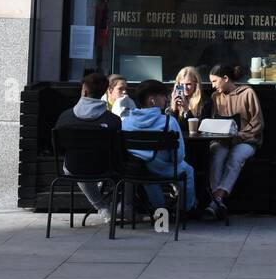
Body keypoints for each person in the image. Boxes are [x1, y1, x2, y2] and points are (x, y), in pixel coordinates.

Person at [52, 72, 124, 226]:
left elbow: (59, 148)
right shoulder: (113, 120)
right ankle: (109, 206)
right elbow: (117, 150)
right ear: (105, 92)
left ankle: (102, 208)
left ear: (84, 91)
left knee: (77, 164)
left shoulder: (65, 117)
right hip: (105, 168)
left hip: (74, 167)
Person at [122, 79, 197, 218]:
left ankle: (161, 212)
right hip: (165, 169)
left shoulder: (126, 122)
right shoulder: (169, 121)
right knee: (187, 170)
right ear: (152, 100)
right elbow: (178, 156)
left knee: (149, 175)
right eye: (163, 96)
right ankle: (185, 210)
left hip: (139, 170)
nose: (166, 99)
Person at [204, 63, 263, 221]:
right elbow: (214, 122)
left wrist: (240, 136)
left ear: (225, 78)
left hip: (247, 140)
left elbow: (257, 123)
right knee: (216, 154)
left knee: (236, 157)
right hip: (223, 140)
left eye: (215, 81)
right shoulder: (215, 97)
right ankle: (218, 202)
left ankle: (216, 198)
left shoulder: (247, 93)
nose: (212, 86)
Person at [167, 65, 209, 130]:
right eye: (181, 84)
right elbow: (169, 127)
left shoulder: (204, 101)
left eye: (188, 84)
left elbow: (199, 129)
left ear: (196, 84)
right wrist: (174, 109)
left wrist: (186, 109)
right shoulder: (172, 98)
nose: (184, 88)